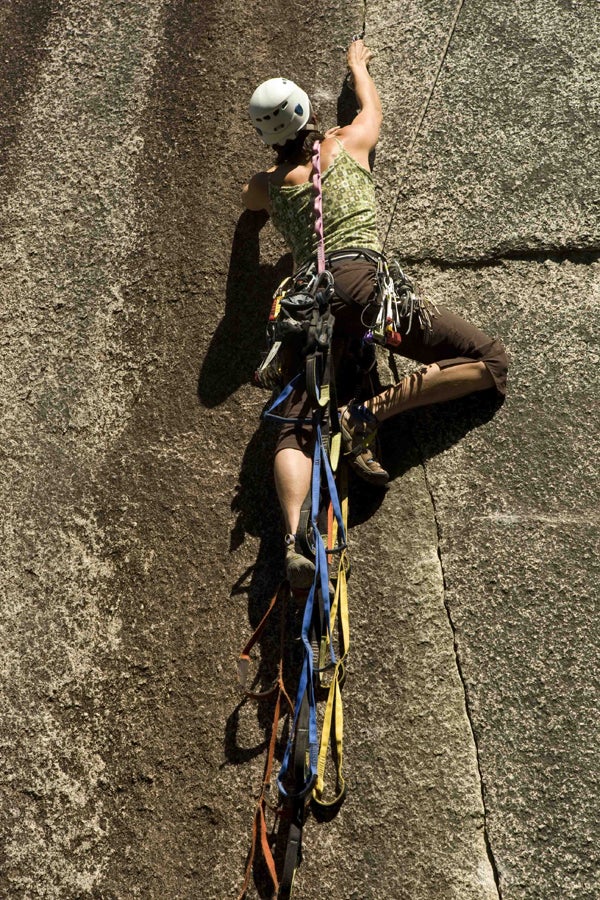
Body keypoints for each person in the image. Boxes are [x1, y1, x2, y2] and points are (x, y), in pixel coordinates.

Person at [242, 40, 508, 588]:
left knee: (296, 423)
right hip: (365, 292)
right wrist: (358, 68)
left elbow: (248, 205)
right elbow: (371, 110)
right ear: (307, 114)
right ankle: (365, 415)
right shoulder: (348, 143)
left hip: (306, 306)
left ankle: (295, 532)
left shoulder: (269, 186)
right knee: (489, 359)